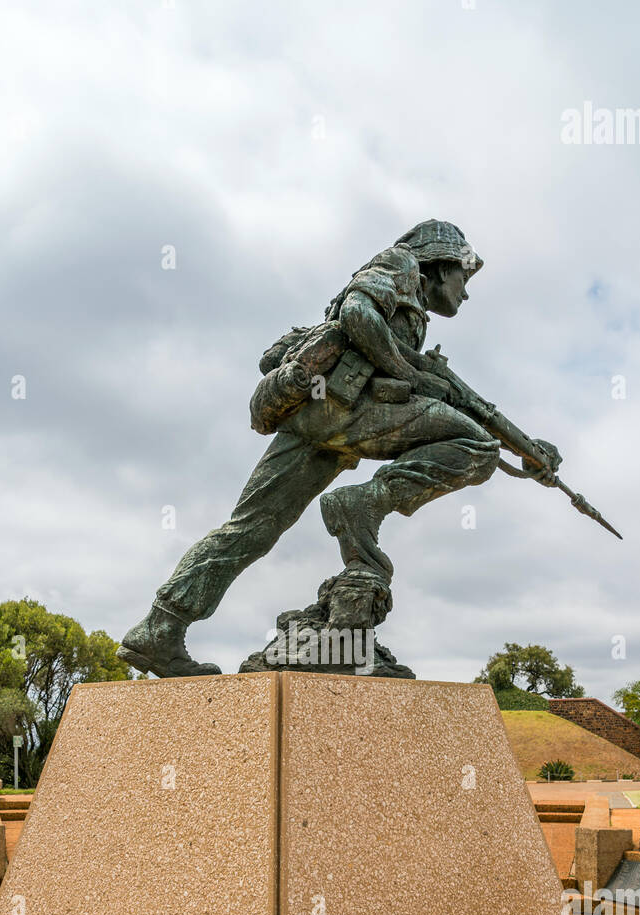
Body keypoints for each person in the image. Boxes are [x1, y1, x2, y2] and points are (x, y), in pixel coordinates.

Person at [118, 219, 556, 676]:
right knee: (478, 447)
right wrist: (410, 374)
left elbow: (464, 398)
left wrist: (528, 449)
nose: (466, 292)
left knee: (251, 528)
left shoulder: (413, 308)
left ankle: (159, 630)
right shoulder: (402, 263)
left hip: (320, 418)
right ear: (441, 265)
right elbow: (357, 315)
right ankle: (362, 504)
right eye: (466, 276)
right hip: (342, 407)